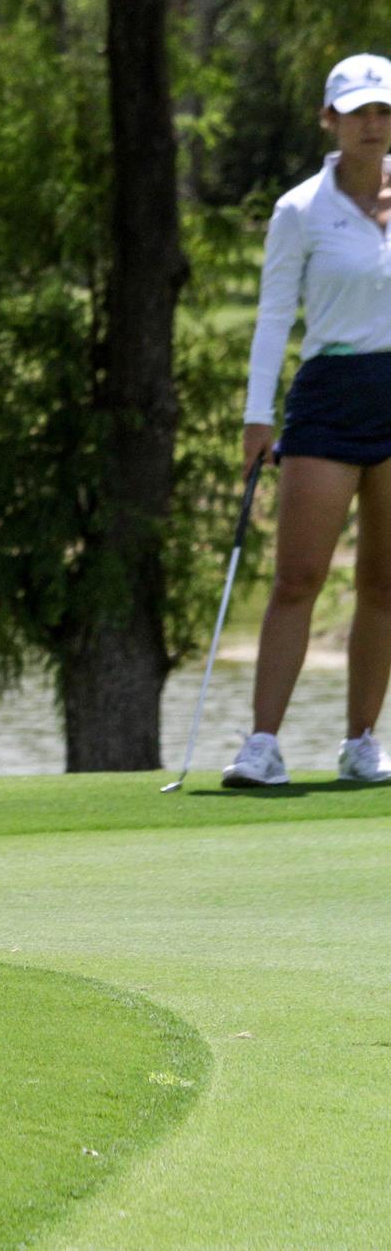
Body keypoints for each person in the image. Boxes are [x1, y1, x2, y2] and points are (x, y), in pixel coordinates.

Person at [228, 54, 391, 787]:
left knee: (385, 584)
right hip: (328, 396)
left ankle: (363, 742)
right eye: (357, 112)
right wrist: (255, 418)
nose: (372, 124)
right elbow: (271, 317)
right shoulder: (300, 209)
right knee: (299, 576)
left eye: (383, 112)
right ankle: (262, 744)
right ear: (330, 120)